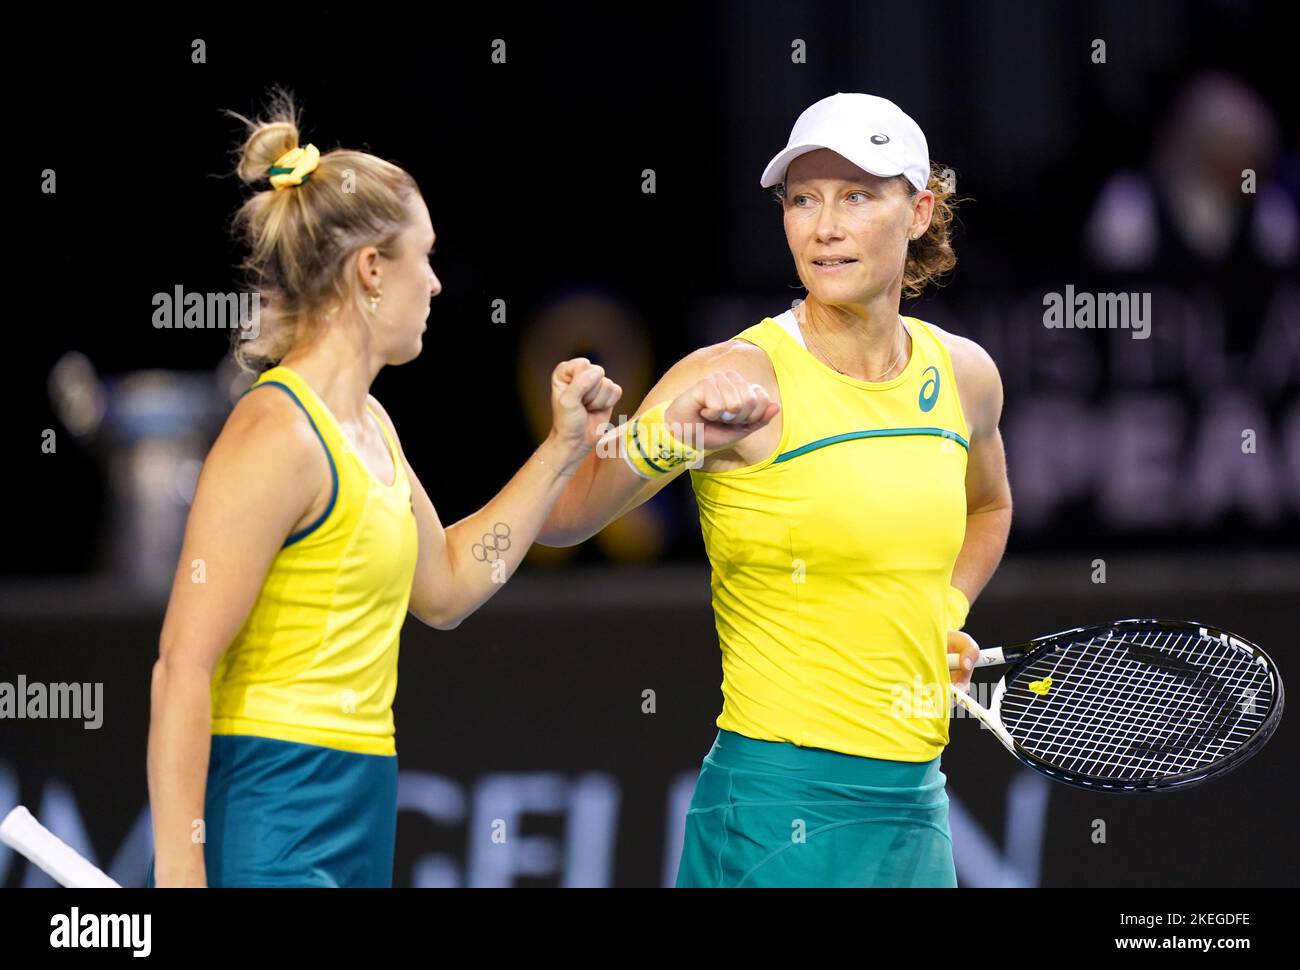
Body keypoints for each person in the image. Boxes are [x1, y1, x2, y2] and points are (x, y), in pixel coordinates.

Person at [146, 91, 620, 887]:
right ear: (371, 269)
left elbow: (448, 585)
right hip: (274, 805)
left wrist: (561, 449)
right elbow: (181, 667)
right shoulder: (275, 434)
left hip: (361, 805)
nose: (436, 284)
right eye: (423, 256)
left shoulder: (371, 428)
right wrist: (178, 871)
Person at [538, 92, 1013, 887]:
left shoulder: (964, 376)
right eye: (802, 200)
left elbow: (989, 506)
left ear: (921, 210)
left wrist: (946, 609)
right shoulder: (733, 376)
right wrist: (623, 437)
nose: (824, 227)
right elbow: (559, 519)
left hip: (914, 814)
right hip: (770, 816)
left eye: (857, 196)